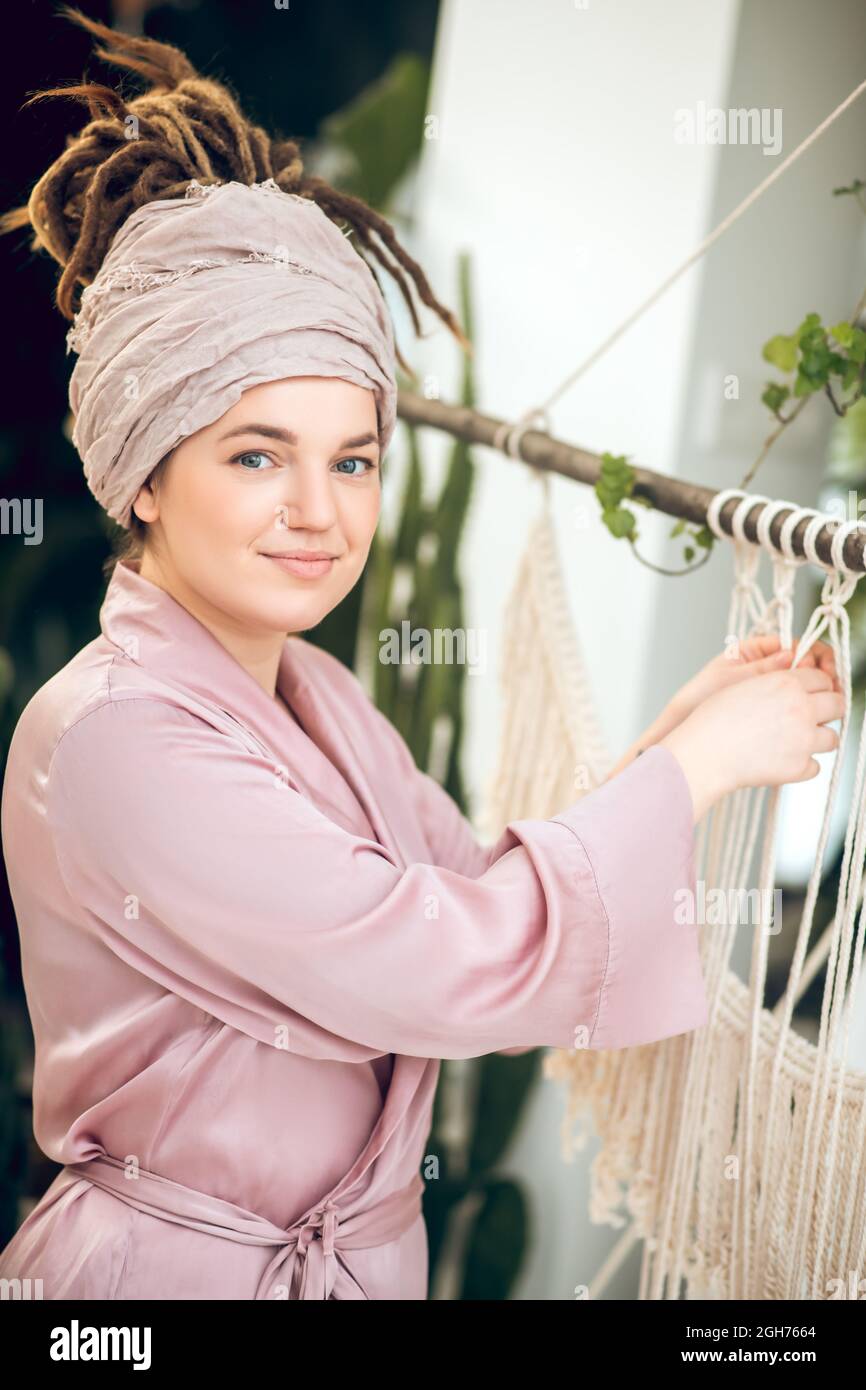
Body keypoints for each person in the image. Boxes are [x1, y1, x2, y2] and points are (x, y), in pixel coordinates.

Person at [0, 11, 843, 1301]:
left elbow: (473, 884)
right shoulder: (113, 736)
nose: (319, 513)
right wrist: (691, 772)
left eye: (353, 459)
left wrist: (679, 747)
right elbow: (440, 959)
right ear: (142, 474)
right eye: (254, 456)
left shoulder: (314, 693)